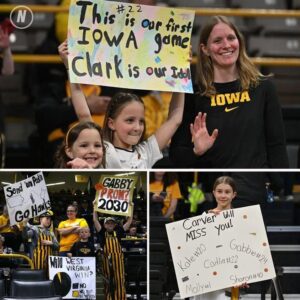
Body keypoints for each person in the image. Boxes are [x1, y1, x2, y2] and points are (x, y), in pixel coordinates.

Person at [58, 40, 214, 169]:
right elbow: (83, 113)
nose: (137, 127)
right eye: (129, 120)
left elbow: (175, 119)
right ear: (111, 123)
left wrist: (181, 71)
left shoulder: (146, 152)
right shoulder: (104, 149)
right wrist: (69, 66)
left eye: (141, 121)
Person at [170, 15, 289, 168]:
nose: (226, 45)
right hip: (212, 188)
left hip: (255, 187)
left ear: (239, 42)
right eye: (217, 41)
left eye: (231, 38)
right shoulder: (194, 93)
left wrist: (281, 188)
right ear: (205, 49)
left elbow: (277, 145)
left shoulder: (264, 88)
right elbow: (176, 154)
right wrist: (196, 151)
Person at [190, 176, 248, 300]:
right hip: (206, 277)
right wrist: (208, 222)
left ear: (234, 194)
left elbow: (244, 249)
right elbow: (197, 249)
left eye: (227, 192)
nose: (223, 195)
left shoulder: (240, 218)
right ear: (214, 193)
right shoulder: (204, 217)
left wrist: (244, 274)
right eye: (219, 191)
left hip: (230, 276)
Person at [93, 212, 133, 300]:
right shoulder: (102, 232)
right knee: (107, 281)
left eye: (112, 223)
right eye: (108, 223)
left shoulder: (118, 232)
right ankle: (109, 298)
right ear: (104, 225)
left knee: (119, 280)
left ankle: (121, 298)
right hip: (106, 260)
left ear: (115, 225)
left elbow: (129, 221)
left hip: (118, 260)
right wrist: (94, 208)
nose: (110, 225)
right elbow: (95, 220)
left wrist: (131, 207)